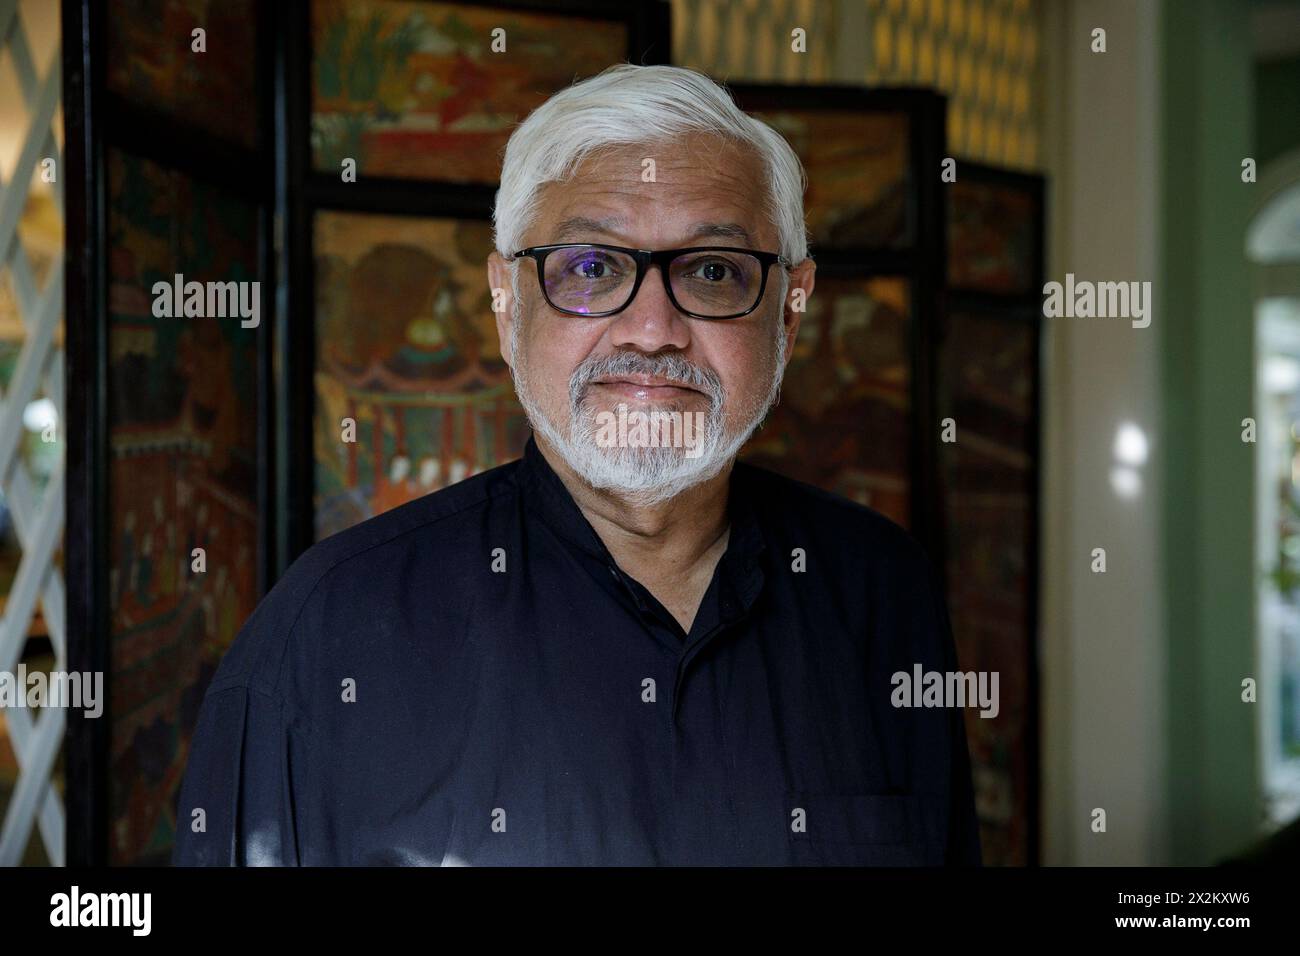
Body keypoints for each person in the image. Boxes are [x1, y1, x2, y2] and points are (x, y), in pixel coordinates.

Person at [173, 64, 981, 866]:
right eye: (592, 268)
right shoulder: (326, 634)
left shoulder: (881, 592)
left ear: (791, 313)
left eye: (712, 271)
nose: (652, 330)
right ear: (506, 301)